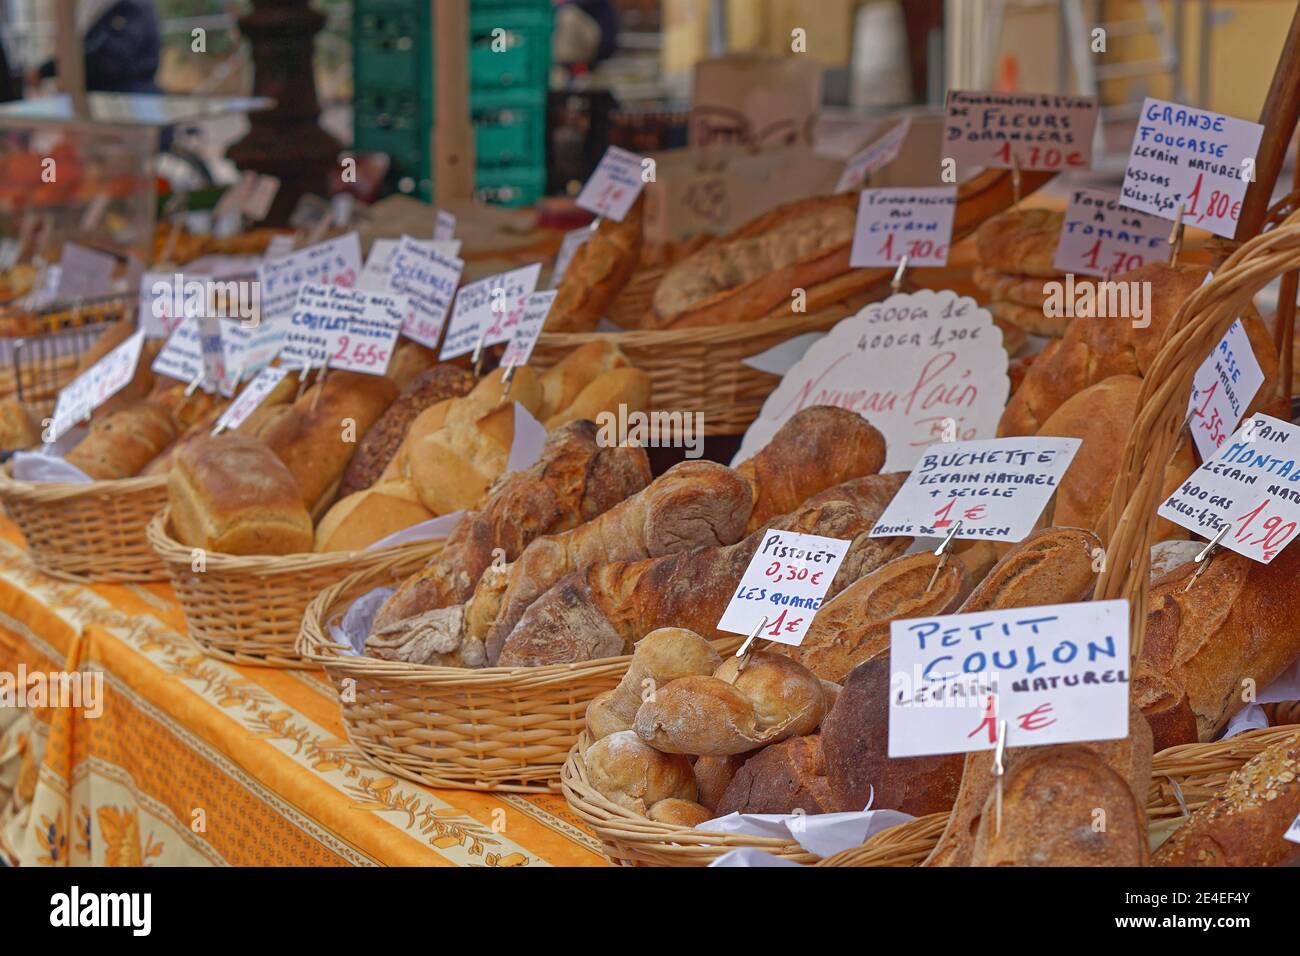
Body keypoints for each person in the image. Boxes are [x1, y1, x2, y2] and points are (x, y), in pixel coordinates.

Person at [39, 0, 163, 95]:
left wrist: (47, 70)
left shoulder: (131, 7)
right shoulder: (105, 6)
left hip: (127, 95)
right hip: (113, 94)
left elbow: (108, 59)